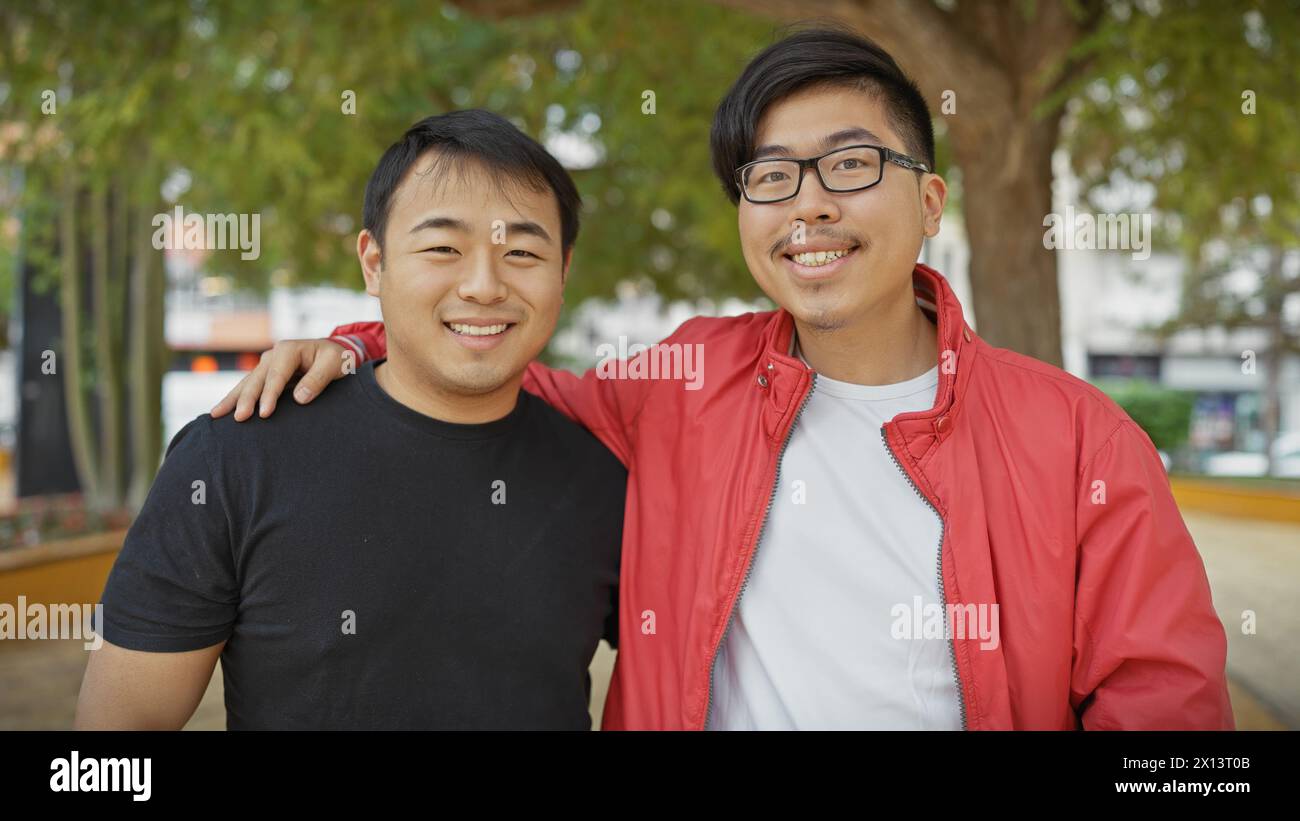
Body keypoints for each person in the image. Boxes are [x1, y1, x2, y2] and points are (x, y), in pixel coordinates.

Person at [215, 28, 1233, 730]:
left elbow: (1163, 706)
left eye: (848, 165)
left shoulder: (1076, 435)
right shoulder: (684, 380)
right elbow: (497, 364)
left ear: (928, 202)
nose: (808, 205)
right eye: (769, 175)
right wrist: (358, 337)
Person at [76, 110, 626, 730]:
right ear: (374, 263)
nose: (483, 285)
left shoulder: (607, 479)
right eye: (443, 247)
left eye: (522, 251)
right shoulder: (235, 457)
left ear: (563, 271)